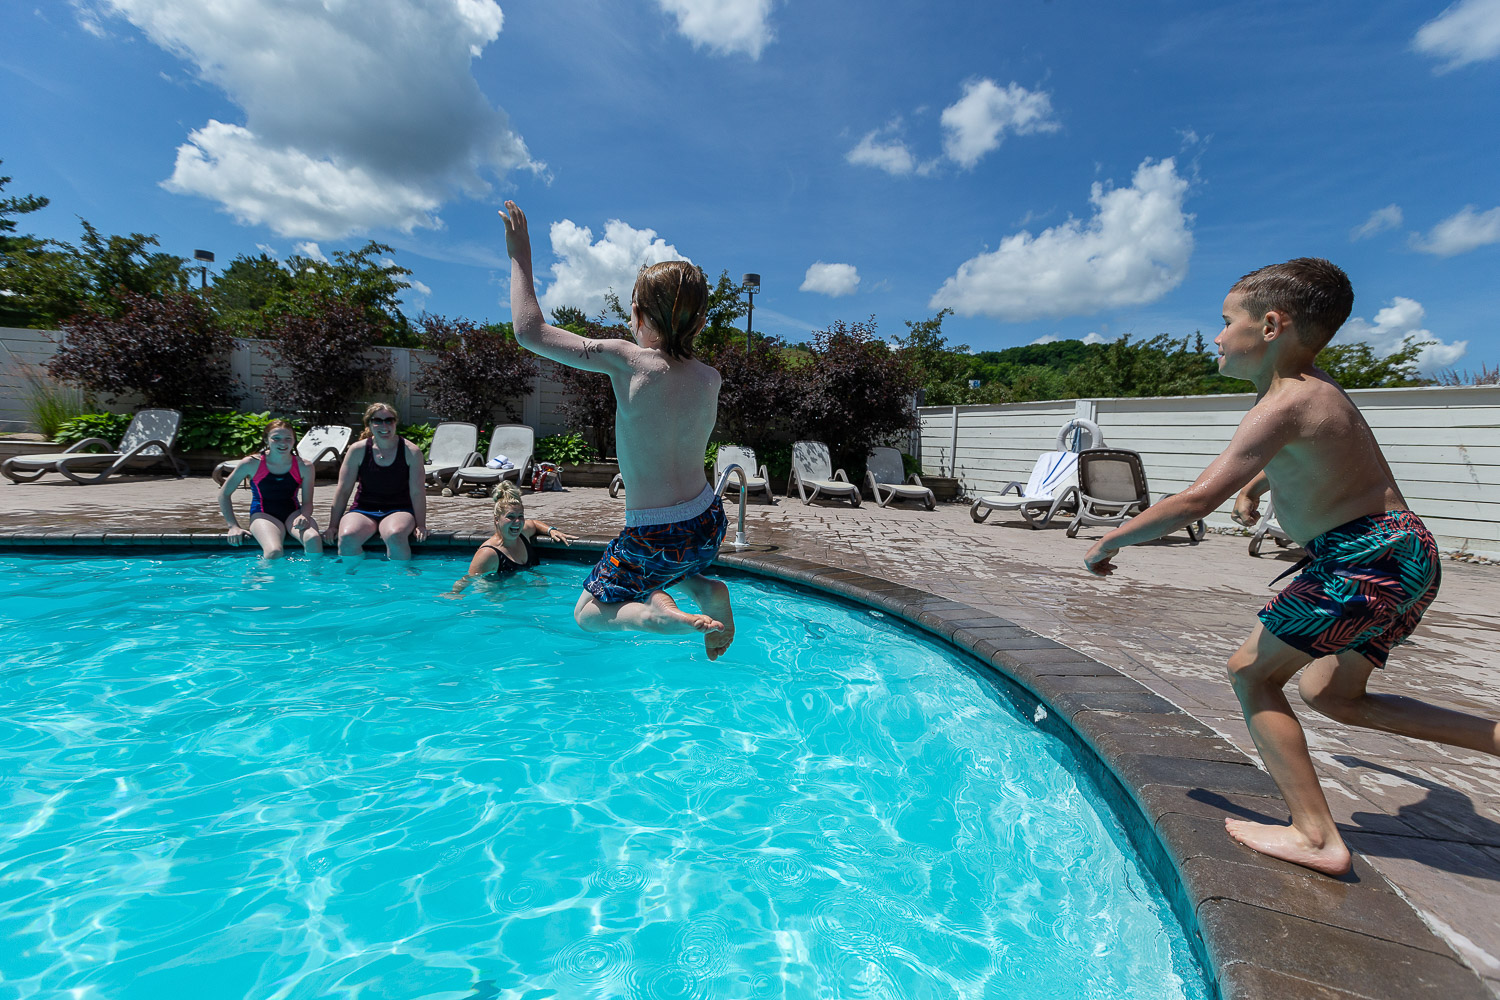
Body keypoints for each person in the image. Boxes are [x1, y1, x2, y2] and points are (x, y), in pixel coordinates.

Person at [1082, 258, 1499, 876]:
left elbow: (1195, 502)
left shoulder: (1283, 403)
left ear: (1271, 326)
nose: (1216, 336)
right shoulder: (1316, 390)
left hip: (1363, 558)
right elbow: (1318, 452)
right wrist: (1257, 485)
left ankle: (1315, 836)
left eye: (1227, 322)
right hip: (1405, 552)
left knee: (1252, 674)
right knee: (1331, 694)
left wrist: (1109, 543)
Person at [500, 200, 736, 658]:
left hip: (653, 532)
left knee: (588, 612)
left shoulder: (629, 360)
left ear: (639, 316)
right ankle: (706, 590)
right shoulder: (711, 378)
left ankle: (652, 617)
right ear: (702, 322)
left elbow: (529, 331)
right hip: (708, 523)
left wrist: (519, 254)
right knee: (668, 564)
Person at [325, 403, 428, 560]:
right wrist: (333, 526)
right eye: (378, 421)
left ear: (395, 422)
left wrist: (421, 525)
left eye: (389, 420)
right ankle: (355, 574)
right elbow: (344, 490)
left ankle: (400, 575)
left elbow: (417, 491)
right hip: (363, 509)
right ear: (369, 424)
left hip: (399, 509)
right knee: (347, 537)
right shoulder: (357, 450)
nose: (384, 426)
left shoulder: (411, 451)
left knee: (395, 535)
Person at [448, 482, 578, 595]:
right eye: (510, 517)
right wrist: (454, 594)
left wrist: (551, 530)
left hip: (530, 598)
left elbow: (533, 524)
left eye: (520, 516)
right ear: (497, 519)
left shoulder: (523, 533)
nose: (517, 522)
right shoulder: (488, 553)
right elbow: (469, 579)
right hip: (504, 600)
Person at [218, 419, 324, 558]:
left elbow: (308, 502)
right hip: (263, 515)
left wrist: (304, 515)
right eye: (276, 438)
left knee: (313, 539)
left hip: (293, 514)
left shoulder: (305, 466)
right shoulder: (251, 463)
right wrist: (233, 526)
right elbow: (224, 494)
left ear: (294, 441)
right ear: (266, 440)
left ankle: (314, 572)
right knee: (274, 551)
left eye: (288, 438)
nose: (283, 443)